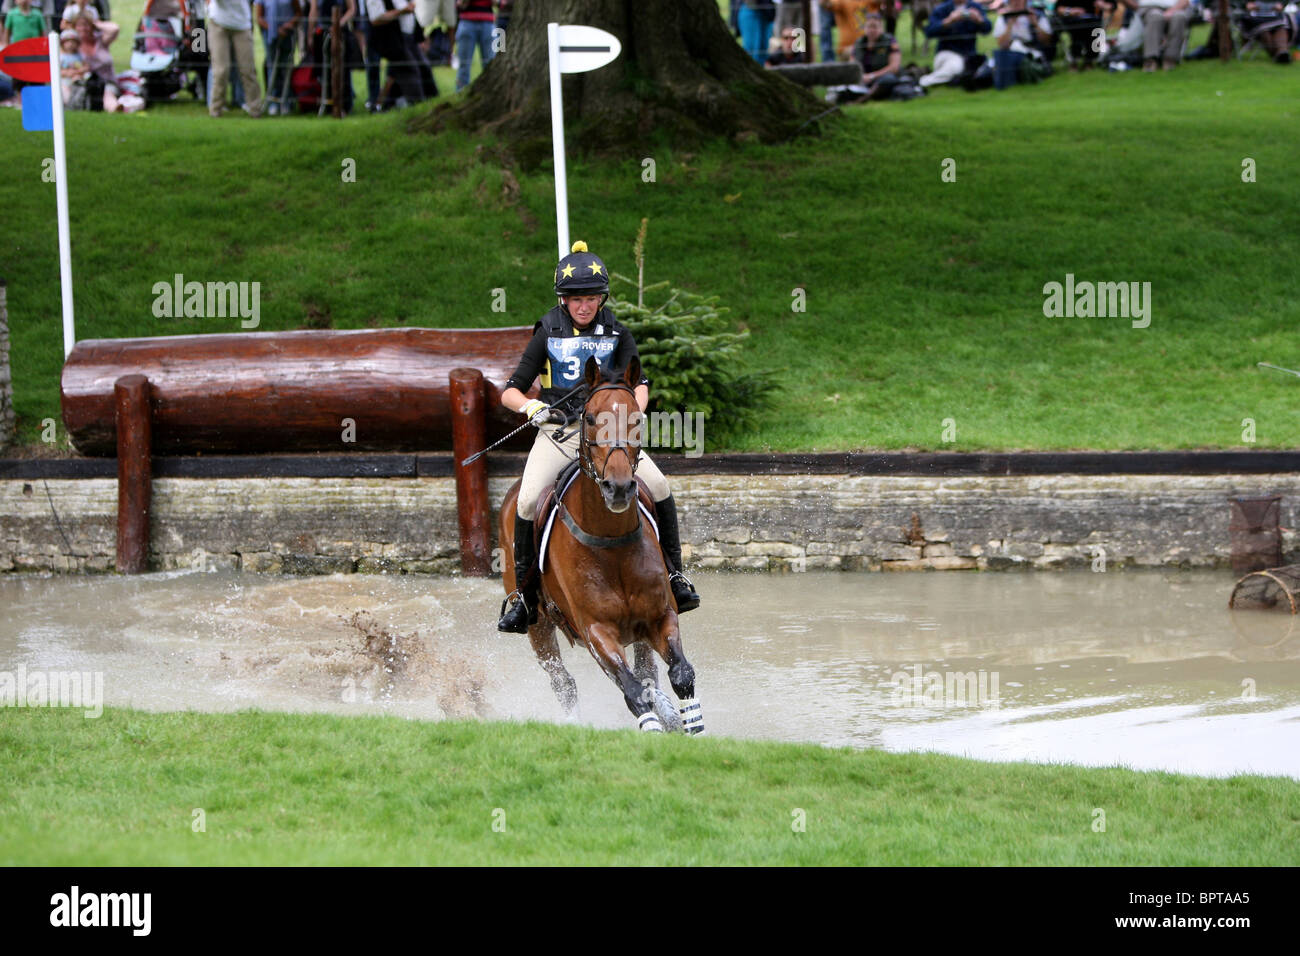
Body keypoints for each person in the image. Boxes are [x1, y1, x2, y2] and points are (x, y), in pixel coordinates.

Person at [496, 241, 702, 634]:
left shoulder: (618, 334)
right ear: (563, 300)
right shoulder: (546, 331)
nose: (584, 306)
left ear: (602, 298)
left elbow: (639, 385)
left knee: (658, 486)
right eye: (576, 299)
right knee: (525, 500)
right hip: (561, 433)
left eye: (591, 298)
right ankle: (523, 596)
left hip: (610, 433)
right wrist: (531, 407)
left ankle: (676, 577)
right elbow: (510, 390)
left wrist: (633, 413)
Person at [207, 0, 263, 116]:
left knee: (248, 70)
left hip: (242, 25)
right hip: (218, 23)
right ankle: (216, 110)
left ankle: (255, 110)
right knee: (221, 71)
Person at [921, 0, 991, 84]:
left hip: (969, 55)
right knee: (956, 66)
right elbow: (929, 32)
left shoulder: (975, 7)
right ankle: (925, 81)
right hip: (946, 53)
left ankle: (946, 76)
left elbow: (987, 29)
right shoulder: (942, 8)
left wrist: (979, 20)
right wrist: (949, 20)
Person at [991, 0, 1052, 88]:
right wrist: (1010, 24)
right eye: (1013, 1)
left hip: (1032, 53)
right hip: (1010, 54)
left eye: (1020, 1)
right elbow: (1002, 45)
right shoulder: (1003, 19)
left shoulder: (1037, 15)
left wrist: (1035, 24)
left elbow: (1046, 41)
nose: (1016, 3)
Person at [255, 0, 301, 114]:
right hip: (270, 35)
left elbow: (298, 13)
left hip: (288, 34)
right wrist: (274, 29)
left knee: (286, 68)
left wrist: (289, 24)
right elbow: (259, 18)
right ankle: (273, 102)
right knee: (272, 68)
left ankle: (286, 101)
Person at [851, 11, 901, 97]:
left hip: (881, 78)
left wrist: (872, 76)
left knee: (888, 79)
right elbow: (851, 65)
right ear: (864, 28)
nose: (871, 30)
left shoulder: (890, 41)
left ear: (881, 28)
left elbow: (894, 67)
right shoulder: (858, 43)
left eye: (875, 27)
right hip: (862, 79)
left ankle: (864, 98)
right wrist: (862, 77)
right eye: (869, 27)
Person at [1136, 0, 1190, 70]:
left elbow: (1185, 1)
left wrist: (1171, 11)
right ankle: (1151, 59)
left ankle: (1170, 58)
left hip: (1175, 7)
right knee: (1156, 17)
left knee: (1180, 17)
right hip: (1149, 7)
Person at [453, 0, 492, 90]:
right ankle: (460, 94)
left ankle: (489, 92)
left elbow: (500, 3)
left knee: (490, 64)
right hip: (466, 22)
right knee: (464, 66)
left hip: (488, 23)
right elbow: (458, 5)